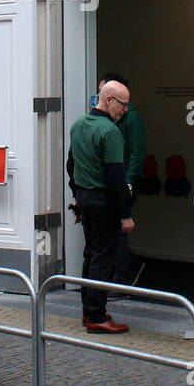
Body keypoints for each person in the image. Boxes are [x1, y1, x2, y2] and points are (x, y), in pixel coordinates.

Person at [66, 79, 135, 333]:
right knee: (103, 258)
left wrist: (77, 195)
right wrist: (125, 215)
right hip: (103, 202)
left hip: (85, 199)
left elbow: (71, 165)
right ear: (108, 101)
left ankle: (89, 311)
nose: (125, 110)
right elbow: (116, 177)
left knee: (90, 254)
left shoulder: (79, 125)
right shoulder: (110, 132)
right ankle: (96, 317)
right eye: (123, 105)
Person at [98, 73, 146, 291]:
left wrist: (128, 183)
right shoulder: (103, 121)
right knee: (111, 230)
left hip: (123, 182)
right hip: (110, 182)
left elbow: (136, 153)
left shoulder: (131, 119)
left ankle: (120, 279)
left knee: (119, 231)